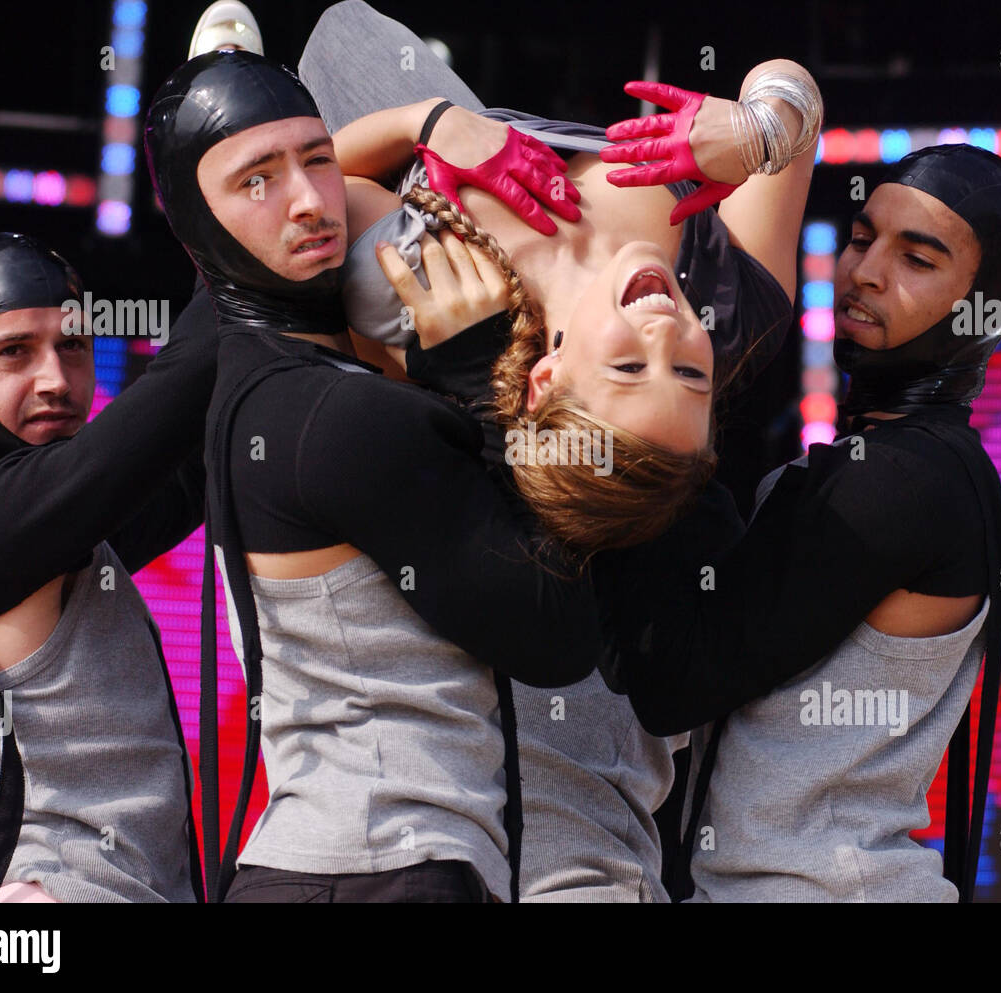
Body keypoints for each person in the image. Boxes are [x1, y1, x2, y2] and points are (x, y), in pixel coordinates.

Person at [294, 0, 819, 900]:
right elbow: (797, 92)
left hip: (404, 118)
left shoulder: (434, 292)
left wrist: (435, 125)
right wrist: (765, 127)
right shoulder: (729, 306)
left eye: (628, 364)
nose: (666, 328)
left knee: (331, 32)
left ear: (547, 378)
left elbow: (296, 194)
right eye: (692, 376)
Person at [144, 50, 604, 903]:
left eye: (318, 158)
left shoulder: (263, 392)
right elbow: (557, 633)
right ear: (197, 229)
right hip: (382, 868)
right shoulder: (341, 420)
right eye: (258, 180)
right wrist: (487, 388)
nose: (312, 200)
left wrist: (425, 121)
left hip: (345, 862)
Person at [598, 143, 1001, 902]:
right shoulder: (907, 464)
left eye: (918, 259)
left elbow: (674, 677)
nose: (865, 271)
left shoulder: (906, 478)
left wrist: (657, 422)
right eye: (864, 237)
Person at [0, 233, 217, 902]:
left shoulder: (51, 537)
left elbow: (189, 468)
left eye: (73, 345)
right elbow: (180, 391)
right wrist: (246, 227)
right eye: (13, 350)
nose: (55, 379)